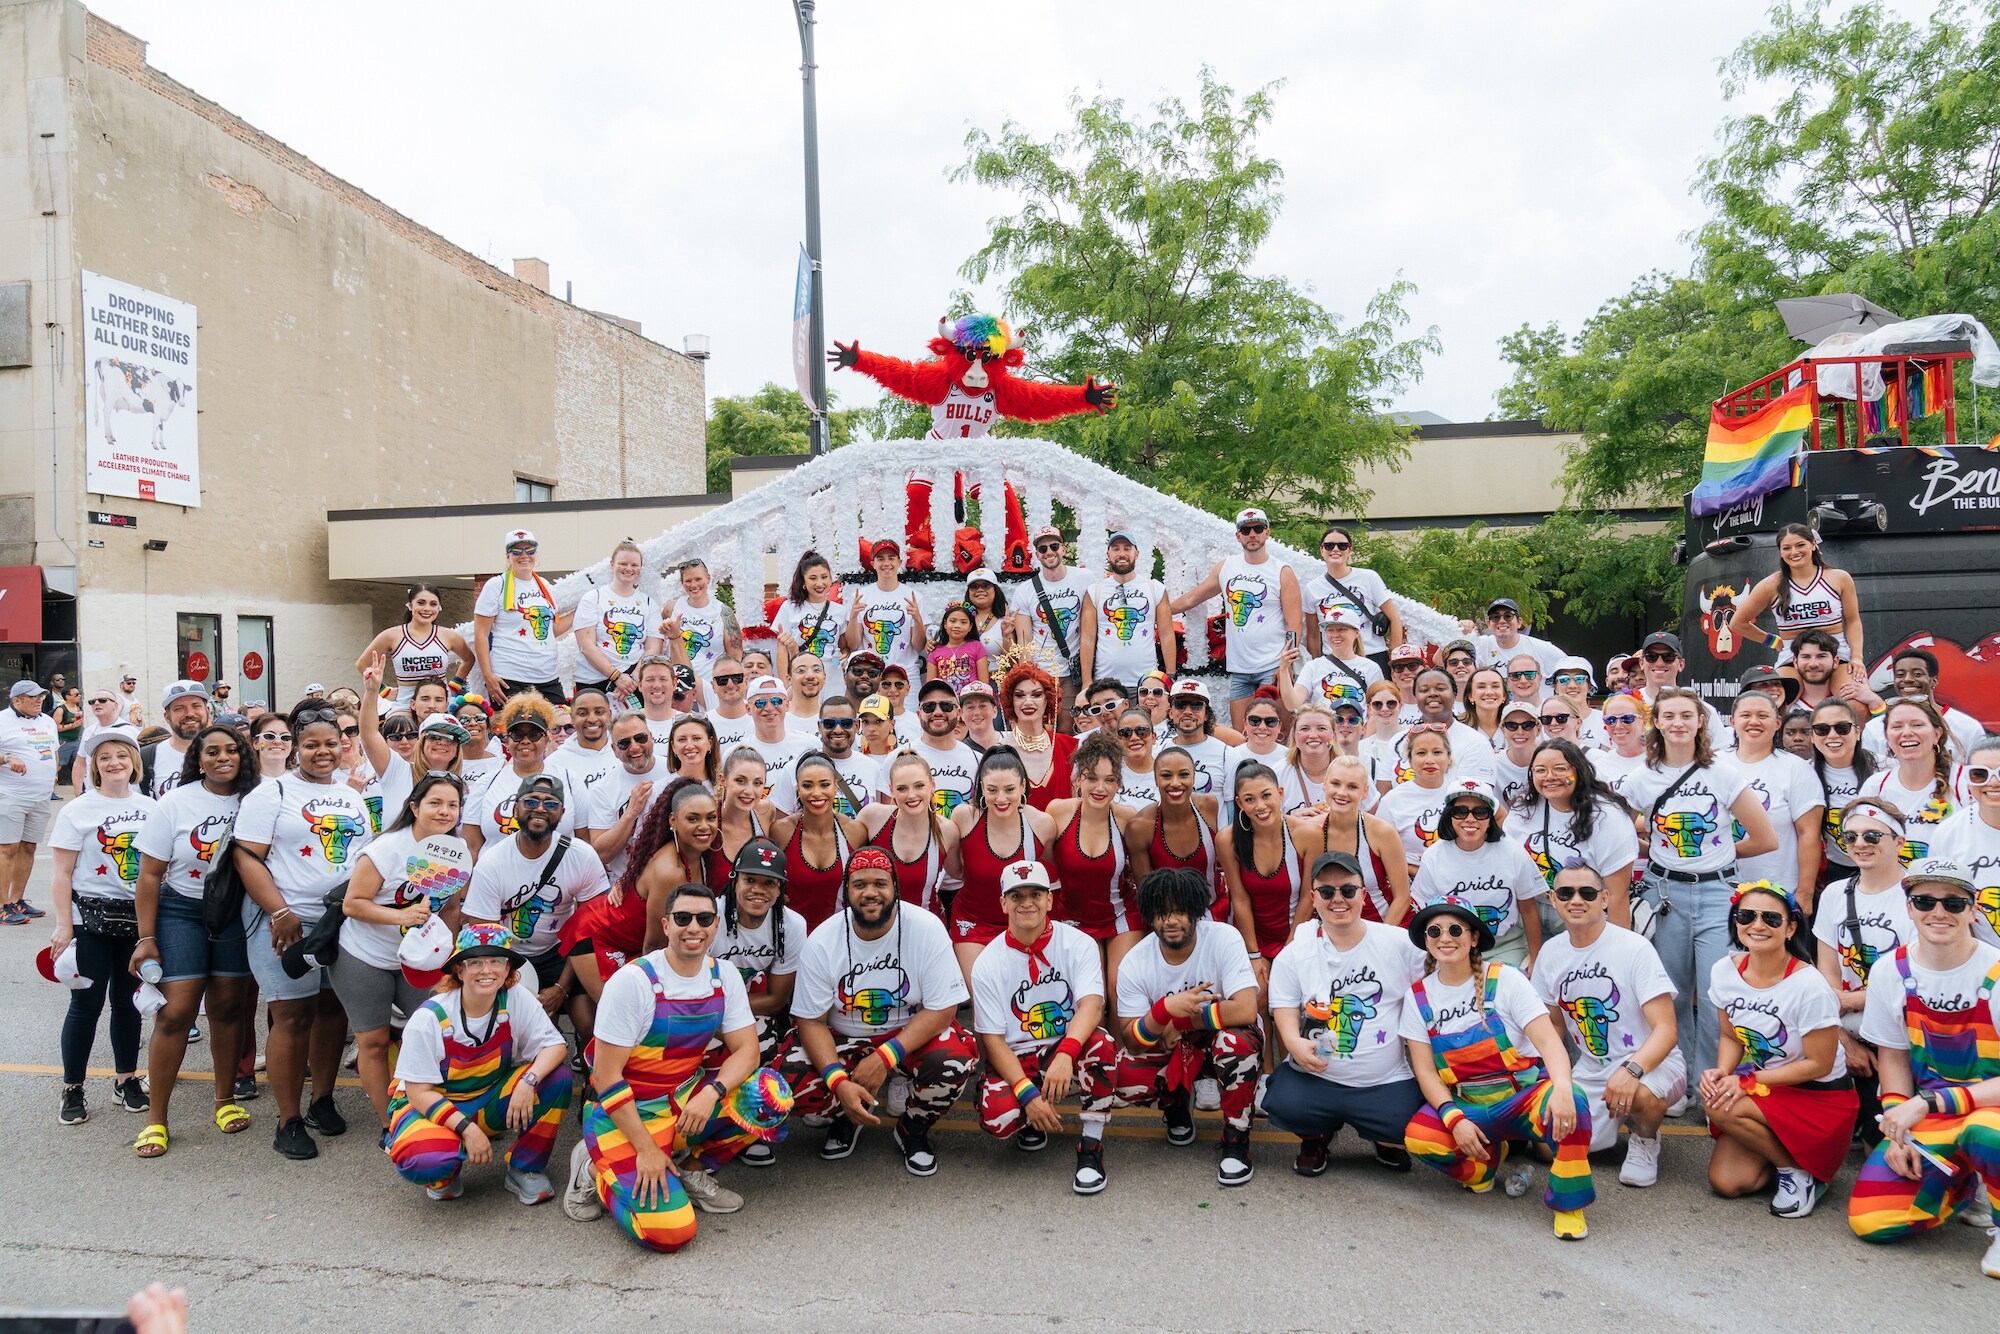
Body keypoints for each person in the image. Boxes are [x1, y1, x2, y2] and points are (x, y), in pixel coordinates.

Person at [569, 882, 793, 1246]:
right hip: (626, 1112)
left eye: (703, 918)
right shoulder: (633, 981)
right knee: (671, 1232)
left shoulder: (724, 976)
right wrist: (646, 1150)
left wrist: (712, 1093)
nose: (694, 927)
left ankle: (691, 1170)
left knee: (767, 1097)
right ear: (666, 925)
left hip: (684, 1099)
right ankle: (594, 1169)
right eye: (683, 918)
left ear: (715, 926)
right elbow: (605, 1077)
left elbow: (748, 1052)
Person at [1401, 896, 1593, 1239]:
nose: (1446, 938)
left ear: (1474, 937)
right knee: (1421, 1138)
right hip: (1470, 1107)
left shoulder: (1507, 979)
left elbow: (1550, 1042)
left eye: (1456, 929)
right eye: (1435, 931)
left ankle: (1568, 1205)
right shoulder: (1418, 997)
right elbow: (1426, 1072)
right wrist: (1454, 1119)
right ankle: (1483, 1165)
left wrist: (1563, 1086)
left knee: (1574, 1104)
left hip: (1523, 1100)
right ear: (1427, 942)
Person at [777, 847, 976, 1175]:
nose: (870, 893)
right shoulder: (824, 939)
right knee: (789, 1079)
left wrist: (884, 1057)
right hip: (843, 1036)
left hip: (907, 1036)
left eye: (880, 883)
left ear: (894, 888)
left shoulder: (926, 927)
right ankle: (846, 1115)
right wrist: (838, 1081)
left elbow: (943, 1008)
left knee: (953, 1058)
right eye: (859, 885)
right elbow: (810, 1020)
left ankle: (912, 1128)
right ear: (847, 892)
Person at [233, 702, 373, 1159]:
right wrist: (279, 912)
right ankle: (288, 1119)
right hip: (287, 921)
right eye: (311, 744)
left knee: (334, 1010)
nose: (322, 752)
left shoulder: (352, 795)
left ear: (342, 745)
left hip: (341, 922)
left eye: (331, 743)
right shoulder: (271, 792)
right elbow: (245, 857)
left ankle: (322, 1099)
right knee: (292, 1015)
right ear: (295, 746)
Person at [1847, 857, 2000, 1274]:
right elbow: (1893, 1056)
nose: (1938, 912)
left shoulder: (1996, 971)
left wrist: (1927, 1104)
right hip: (1936, 1114)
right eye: (1925, 900)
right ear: (1908, 907)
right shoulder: (1889, 970)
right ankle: (1967, 1181)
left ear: (1973, 910)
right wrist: (1900, 1130)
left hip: (1990, 1110)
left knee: (1988, 1133)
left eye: (1953, 903)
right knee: (1872, 1221)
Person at [1622, 688, 1778, 1080]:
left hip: (1718, 893)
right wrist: (1661, 848)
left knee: (1715, 996)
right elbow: (1617, 836)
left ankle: (1710, 1082)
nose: (1678, 723)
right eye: (1669, 716)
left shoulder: (1723, 773)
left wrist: (1716, 857)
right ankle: (1674, 1080)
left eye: (1686, 716)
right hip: (1663, 893)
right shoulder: (1641, 778)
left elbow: (1765, 838)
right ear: (1655, 722)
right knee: (1669, 994)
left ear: (1701, 722)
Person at [130, 725, 257, 1155]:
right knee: (177, 1010)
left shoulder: (258, 799)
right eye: (212, 752)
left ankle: (223, 1101)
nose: (223, 758)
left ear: (243, 754)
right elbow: (148, 875)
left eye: (231, 750)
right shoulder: (175, 802)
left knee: (227, 1007)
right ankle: (156, 1119)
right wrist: (145, 938)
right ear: (197, 760)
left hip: (235, 913)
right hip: (180, 909)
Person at [1264, 848, 1430, 1175]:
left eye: (1348, 890)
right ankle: (1316, 1135)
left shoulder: (1398, 943)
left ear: (1363, 894)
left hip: (1383, 1079)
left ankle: (1385, 1138)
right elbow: (1282, 1006)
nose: (1337, 898)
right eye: (1327, 891)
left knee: (1412, 1129)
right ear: (1313, 897)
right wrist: (1292, 1041)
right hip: (1317, 1077)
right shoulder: (1296, 952)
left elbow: (1435, 984)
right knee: (1284, 1102)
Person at [1700, 881, 1857, 1218]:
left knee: (1721, 1107)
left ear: (1791, 928)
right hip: (1769, 1088)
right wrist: (1722, 1072)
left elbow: (1819, 1063)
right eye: (1747, 916)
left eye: (1771, 919)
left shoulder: (1809, 986)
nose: (1757, 925)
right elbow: (1731, 1037)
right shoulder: (1724, 970)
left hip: (1819, 1098)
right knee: (1726, 1182)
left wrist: (1746, 1082)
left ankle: (1796, 1172)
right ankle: (1788, 1157)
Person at [385, 923, 573, 1204]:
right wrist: (466, 1129)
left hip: (485, 1100)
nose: (487, 970)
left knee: (556, 1079)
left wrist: (528, 1080)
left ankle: (525, 1167)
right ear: (459, 970)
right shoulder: (429, 1018)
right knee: (425, 1160)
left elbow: (555, 1045)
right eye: (475, 962)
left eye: (496, 960)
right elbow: (418, 1092)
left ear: (508, 967)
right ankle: (443, 1173)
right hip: (427, 1107)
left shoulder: (516, 998)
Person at [970, 860, 1121, 1192]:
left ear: (1050, 900)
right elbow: (993, 1040)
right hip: (1018, 1054)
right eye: (1017, 895)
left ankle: (1091, 1146)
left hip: (1065, 1046)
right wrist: (1027, 1095)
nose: (1027, 903)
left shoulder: (1078, 943)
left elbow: (1092, 1005)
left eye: (1036, 894)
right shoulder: (988, 962)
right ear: (1003, 903)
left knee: (1102, 1045)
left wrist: (1066, 1053)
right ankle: (1030, 1121)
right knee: (998, 1117)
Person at [333, 772, 468, 1142]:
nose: (444, 811)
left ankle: (448, 1113)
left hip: (422, 962)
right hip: (363, 957)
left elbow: (453, 907)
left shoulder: (455, 850)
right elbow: (352, 904)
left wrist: (450, 956)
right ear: (414, 807)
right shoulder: (386, 849)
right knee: (374, 1043)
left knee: (441, 1036)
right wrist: (401, 917)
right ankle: (389, 1124)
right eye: (435, 803)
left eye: (452, 805)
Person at [1533, 862, 1685, 1188]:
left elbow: (1667, 1031)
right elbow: (1553, 1029)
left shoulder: (1634, 948)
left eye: (1587, 892)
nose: (1576, 900)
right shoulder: (1550, 953)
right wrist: (1537, 1076)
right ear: (1553, 899)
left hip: (1652, 1063)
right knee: (1547, 1147)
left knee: (1642, 1096)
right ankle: (1607, 1125)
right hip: (1593, 1069)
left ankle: (1645, 1140)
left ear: (1604, 898)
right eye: (1566, 893)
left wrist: (1631, 1070)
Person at [1113, 867, 1263, 1184]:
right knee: (1124, 1074)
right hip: (1172, 1047)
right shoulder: (1135, 962)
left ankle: (1236, 1138)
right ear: (1150, 916)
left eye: (1180, 911)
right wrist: (1162, 1010)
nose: (1170, 921)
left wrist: (1180, 1019)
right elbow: (1133, 1041)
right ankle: (1177, 1105)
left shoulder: (1223, 938)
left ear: (1196, 912)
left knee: (1236, 1044)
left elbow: (1247, 1009)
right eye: (1162, 912)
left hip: (1218, 1039)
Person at [48, 730, 156, 1126]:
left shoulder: (151, 807)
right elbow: (61, 873)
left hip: (137, 920)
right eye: (105, 757)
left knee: (128, 1004)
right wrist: (64, 926)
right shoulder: (78, 810)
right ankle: (72, 1087)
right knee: (85, 1006)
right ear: (95, 766)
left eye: (121, 756)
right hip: (88, 921)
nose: (114, 763)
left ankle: (126, 1079)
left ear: (133, 762)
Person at [1812, 799, 1915, 1133]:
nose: (1859, 844)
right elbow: (1826, 972)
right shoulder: (1833, 893)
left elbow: (1913, 980)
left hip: (1900, 1032)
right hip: (1847, 1026)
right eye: (1850, 836)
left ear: (1899, 841)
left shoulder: (1920, 896)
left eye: (1872, 836)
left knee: (1883, 1140)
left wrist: (1845, 1002)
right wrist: (1842, 1037)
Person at [463, 773, 609, 1006]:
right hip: (508, 953)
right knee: (513, 1018)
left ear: (561, 814)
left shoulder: (581, 856)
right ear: (515, 809)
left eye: (550, 804)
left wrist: (562, 988)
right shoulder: (492, 863)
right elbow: (485, 939)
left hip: (562, 952)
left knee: (586, 1017)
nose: (540, 809)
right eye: (531, 802)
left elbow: (589, 930)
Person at [1171, 508, 1302, 731]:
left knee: (1277, 732)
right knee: (1241, 735)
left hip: (1272, 666)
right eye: (1246, 529)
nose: (1252, 534)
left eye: (1258, 528)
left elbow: (1294, 622)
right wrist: (1158, 612)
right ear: (1238, 535)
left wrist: (1286, 665)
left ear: (1267, 532)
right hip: (1240, 668)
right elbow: (1194, 597)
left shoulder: (1282, 571)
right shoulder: (1227, 567)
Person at [1410, 780, 1545, 968]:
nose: (1470, 819)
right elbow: (1426, 912)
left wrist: (1536, 960)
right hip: (1453, 945)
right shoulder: (1433, 856)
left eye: (1480, 812)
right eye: (1461, 811)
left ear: (1491, 818)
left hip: (1506, 945)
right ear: (1449, 815)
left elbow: (1529, 909)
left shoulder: (1513, 852)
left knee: (1499, 990)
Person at [946, 748, 1056, 967]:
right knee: (982, 994)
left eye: (1010, 789)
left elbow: (1051, 876)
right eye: (992, 790)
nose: (1001, 798)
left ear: (1023, 786)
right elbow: (956, 871)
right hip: (973, 922)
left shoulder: (1042, 824)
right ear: (981, 789)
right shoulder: (965, 817)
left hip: (1025, 923)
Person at [1514, 740, 1637, 927]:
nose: (1549, 776)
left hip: (1587, 915)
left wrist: (1616, 951)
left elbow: (1617, 896)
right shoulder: (1524, 809)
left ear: (1578, 771)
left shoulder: (1606, 817)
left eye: (1560, 769)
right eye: (1540, 770)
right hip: (1531, 913)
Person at [709, 835, 805, 1075]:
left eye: (769, 883)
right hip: (696, 1006)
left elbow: (775, 1000)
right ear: (734, 881)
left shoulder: (791, 925)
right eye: (749, 879)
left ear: (779, 888)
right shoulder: (709, 916)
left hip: (738, 1005)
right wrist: (711, 1021)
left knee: (763, 1046)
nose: (758, 890)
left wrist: (729, 1020)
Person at [1720, 523, 1864, 681]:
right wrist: (1773, 641)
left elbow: (1852, 621)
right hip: (1792, 654)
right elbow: (1737, 623)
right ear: (1780, 552)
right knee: (1784, 695)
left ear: (1813, 544)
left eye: (1800, 545)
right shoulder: (1770, 585)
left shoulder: (1839, 578)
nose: (1794, 552)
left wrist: (1857, 657)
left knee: (1855, 701)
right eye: (1787, 548)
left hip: (1836, 652)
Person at [463, 692, 590, 859]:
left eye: (534, 734)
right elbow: (471, 847)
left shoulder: (570, 780)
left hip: (557, 880)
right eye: (517, 734)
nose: (525, 741)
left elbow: (584, 841)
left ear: (546, 739)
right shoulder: (486, 783)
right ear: (507, 741)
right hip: (498, 880)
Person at [1727, 690, 1826, 904]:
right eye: (1746, 716)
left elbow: (1808, 833)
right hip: (1718, 891)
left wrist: (1804, 893)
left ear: (1778, 722)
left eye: (1763, 716)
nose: (1754, 722)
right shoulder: (1713, 764)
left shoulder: (1796, 769)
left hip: (1778, 891)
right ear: (1733, 721)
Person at [1296, 754, 1409, 927]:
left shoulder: (1382, 832)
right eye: (1335, 784)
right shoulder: (1309, 831)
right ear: (1324, 785)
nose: (1342, 793)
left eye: (1352, 786)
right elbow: (1304, 896)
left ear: (1364, 792)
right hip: (1328, 929)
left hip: (1381, 924)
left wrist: (1381, 940)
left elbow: (1402, 897)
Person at [1220, 761, 1315, 969]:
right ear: (1239, 803)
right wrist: (1253, 955)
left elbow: (1309, 897)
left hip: (1297, 936)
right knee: (1258, 995)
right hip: (1252, 939)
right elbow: (1240, 899)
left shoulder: (1307, 834)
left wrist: (1291, 950)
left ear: (1280, 793)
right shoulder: (1227, 839)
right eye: (1249, 799)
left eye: (1266, 795)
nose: (1260, 806)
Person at [472, 529, 572, 703]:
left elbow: (552, 630)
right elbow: (481, 633)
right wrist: (488, 676)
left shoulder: (544, 585)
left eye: (529, 550)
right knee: (509, 729)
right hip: (509, 676)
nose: (524, 555)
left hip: (546, 676)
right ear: (507, 556)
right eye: (517, 551)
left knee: (558, 726)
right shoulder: (496, 585)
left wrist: (580, 611)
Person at [1126, 747, 1223, 923]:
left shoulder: (1209, 805)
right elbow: (1147, 892)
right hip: (1166, 918)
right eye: (1166, 776)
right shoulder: (1140, 827)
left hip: (1215, 910)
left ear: (1194, 777)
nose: (1176, 783)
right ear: (1155, 779)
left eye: (1184, 775)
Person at [1009, 525, 1094, 724]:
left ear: (1062, 549)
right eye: (1043, 549)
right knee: (1041, 728)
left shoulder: (1084, 578)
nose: (1049, 552)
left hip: (1072, 672)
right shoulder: (1025, 590)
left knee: (1067, 728)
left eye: (1054, 546)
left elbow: (1091, 627)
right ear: (1037, 554)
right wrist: (1027, 679)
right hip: (1041, 672)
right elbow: (1024, 641)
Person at [861, 750, 958, 918]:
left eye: (919, 786)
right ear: (891, 790)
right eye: (902, 788)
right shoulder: (873, 818)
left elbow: (959, 876)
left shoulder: (947, 830)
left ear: (932, 785)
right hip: (877, 926)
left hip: (927, 926)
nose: (911, 795)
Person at [771, 752, 863, 928]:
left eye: (824, 784)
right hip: (790, 938)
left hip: (840, 937)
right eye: (807, 785)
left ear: (835, 786)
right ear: (798, 788)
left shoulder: (854, 832)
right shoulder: (781, 831)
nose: (816, 793)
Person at [1077, 530, 1174, 694]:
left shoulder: (1155, 588)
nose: (1121, 553)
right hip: (1105, 684)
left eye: (1127, 548)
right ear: (1108, 554)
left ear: (1137, 553)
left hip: (1147, 684)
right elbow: (1087, 638)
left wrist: (1170, 675)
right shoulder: (1095, 591)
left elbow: (1166, 634)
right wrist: (1087, 682)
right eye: (1115, 549)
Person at [1863, 698, 1963, 856]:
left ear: (1937, 734)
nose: (1907, 732)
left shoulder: (1965, 782)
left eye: (1917, 725)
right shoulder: (1875, 786)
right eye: (1897, 726)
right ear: (1887, 738)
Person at [356, 583, 472, 709]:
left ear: (439, 607)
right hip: (405, 703)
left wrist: (454, 685)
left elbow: (469, 659)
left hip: (439, 704)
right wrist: (384, 691)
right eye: (421, 603)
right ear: (410, 606)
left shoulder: (449, 636)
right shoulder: (391, 635)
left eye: (433, 604)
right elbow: (362, 664)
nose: (427, 608)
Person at [1305, 525, 1403, 674]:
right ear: (1322, 550)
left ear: (1350, 550)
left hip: (1372, 654)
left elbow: (1394, 619)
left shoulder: (1369, 578)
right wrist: (1316, 665)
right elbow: (1313, 634)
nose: (1335, 549)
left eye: (1342, 546)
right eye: (1329, 546)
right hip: (1333, 659)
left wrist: (1396, 662)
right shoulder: (1312, 588)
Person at [573, 539, 662, 702]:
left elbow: (653, 648)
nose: (629, 569)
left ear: (640, 569)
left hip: (634, 684)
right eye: (623, 563)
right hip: (594, 682)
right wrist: (616, 677)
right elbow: (586, 646)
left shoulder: (649, 603)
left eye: (634, 565)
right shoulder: (593, 598)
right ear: (612, 564)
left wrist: (633, 679)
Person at [1, 679, 60, 925]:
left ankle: (17, 900)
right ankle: (2, 905)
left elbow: (53, 751)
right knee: (7, 849)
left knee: (28, 848)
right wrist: (6, 758)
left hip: (40, 796)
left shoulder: (47, 721)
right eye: (33, 697)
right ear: (17, 701)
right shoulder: (3, 720)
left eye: (42, 697)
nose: (40, 700)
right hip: (10, 795)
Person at [1862, 647, 1984, 760]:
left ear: (1934, 681)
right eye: (1900, 675)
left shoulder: (1968, 727)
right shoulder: (1874, 728)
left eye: (1917, 674)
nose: (1907, 679)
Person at [1933, 736, 2000, 940]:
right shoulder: (1948, 833)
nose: (1994, 782)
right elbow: (1945, 903)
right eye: (1980, 774)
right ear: (1968, 780)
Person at [1809, 698, 1876, 881]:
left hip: (1880, 866)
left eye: (1842, 728)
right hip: (1832, 871)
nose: (1832, 735)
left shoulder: (1885, 768)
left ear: (1857, 732)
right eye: (1822, 729)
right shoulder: (1803, 774)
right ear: (1812, 737)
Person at [843, 539, 927, 682]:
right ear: (873, 564)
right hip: (870, 675)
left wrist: (918, 620)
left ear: (899, 562)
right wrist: (853, 617)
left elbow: (919, 646)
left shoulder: (915, 597)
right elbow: (853, 644)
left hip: (906, 674)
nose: (886, 563)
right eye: (880, 558)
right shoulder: (859, 596)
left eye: (891, 558)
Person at [1376, 724, 1456, 873]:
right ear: (1410, 760)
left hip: (1460, 880)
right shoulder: (1392, 801)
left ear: (1449, 757)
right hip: (1411, 882)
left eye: (1437, 752)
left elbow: (1497, 818)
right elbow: (1379, 852)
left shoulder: (1462, 792)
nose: (1429, 760)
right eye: (1421, 753)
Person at [999, 659, 1074, 811]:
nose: (1028, 702)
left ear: (1048, 700)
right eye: (1020, 696)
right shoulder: (1000, 752)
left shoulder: (1070, 747)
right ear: (1010, 701)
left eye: (1036, 695)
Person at [661, 557, 742, 695]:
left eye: (698, 579)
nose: (693, 585)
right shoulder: (671, 608)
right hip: (678, 689)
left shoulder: (723, 612)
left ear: (708, 578)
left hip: (710, 689)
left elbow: (735, 655)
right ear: (682, 583)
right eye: (688, 581)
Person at [1401, 667, 1495, 783]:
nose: (1432, 694)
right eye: (1424, 690)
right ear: (1415, 696)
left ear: (1455, 694)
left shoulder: (1476, 742)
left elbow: (1476, 797)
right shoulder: (1398, 741)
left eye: (1440, 688)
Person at [709, 748, 781, 890]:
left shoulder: (765, 812)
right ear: (722, 780)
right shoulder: (708, 821)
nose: (749, 791)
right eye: (740, 781)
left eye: (757, 783)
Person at [773, 550, 845, 690]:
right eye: (813, 578)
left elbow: (842, 648)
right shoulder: (789, 607)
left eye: (824, 577)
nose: (820, 583)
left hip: (833, 679)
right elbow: (782, 649)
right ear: (804, 582)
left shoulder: (840, 610)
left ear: (831, 579)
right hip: (802, 676)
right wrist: (785, 684)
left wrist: (839, 662)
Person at [741, 675, 814, 814]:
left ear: (787, 705)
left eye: (776, 701)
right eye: (760, 703)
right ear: (748, 708)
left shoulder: (810, 745)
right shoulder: (737, 754)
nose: (769, 708)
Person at [910, 679, 981, 819]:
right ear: (919, 714)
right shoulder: (898, 758)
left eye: (946, 706)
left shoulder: (978, 760)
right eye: (929, 707)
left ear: (958, 713)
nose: (937, 712)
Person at [1160, 679, 1233, 801]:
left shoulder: (1226, 754)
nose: (1188, 712)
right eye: (1180, 705)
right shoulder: (1158, 751)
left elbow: (1231, 804)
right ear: (1170, 713)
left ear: (1206, 715)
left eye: (1196, 706)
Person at [141, 680, 211, 798]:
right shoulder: (147, 757)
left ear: (207, 711)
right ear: (167, 717)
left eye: (196, 706)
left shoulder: (228, 754)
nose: (189, 713)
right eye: (179, 708)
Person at [810, 698, 874, 817]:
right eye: (829, 724)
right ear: (819, 726)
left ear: (857, 725)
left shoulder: (872, 768)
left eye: (846, 723)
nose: (838, 730)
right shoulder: (799, 767)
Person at [1595, 691, 1651, 788]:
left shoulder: (1661, 761)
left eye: (1627, 718)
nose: (1618, 726)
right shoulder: (1598, 767)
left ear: (1644, 722)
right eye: (1610, 720)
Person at [1549, 657, 1606, 750]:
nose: (1572, 685)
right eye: (1564, 679)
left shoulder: (1604, 720)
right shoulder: (1546, 722)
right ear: (1555, 687)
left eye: (1580, 679)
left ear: (1589, 686)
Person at [632, 655, 687, 751]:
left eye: (663, 679)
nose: (657, 685)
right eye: (650, 679)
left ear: (674, 684)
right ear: (640, 685)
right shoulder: (629, 724)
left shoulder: (687, 723)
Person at [1492, 701, 1540, 808]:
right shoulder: (1492, 763)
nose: (1520, 732)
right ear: (1503, 730)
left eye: (1527, 725)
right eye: (1512, 726)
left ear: (1539, 729)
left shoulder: (1549, 761)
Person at [704, 655, 754, 752]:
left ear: (746, 681)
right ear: (713, 686)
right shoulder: (704, 723)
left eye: (736, 678)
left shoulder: (761, 717)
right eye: (723, 680)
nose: (730, 685)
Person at [1112, 704, 1159, 808]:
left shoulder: (1166, 773)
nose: (1134, 738)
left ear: (1154, 737)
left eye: (1142, 731)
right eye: (1125, 733)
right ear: (1118, 740)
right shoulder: (1109, 771)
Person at [961, 568, 1012, 663]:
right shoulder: (959, 618)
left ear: (995, 590)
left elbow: (1013, 662)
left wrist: (1006, 636)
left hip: (996, 675)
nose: (980, 590)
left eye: (986, 586)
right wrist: (932, 644)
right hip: (965, 676)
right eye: (974, 586)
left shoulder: (1006, 619)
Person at [1458, 667, 1509, 753]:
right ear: (1470, 696)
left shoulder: (1517, 726)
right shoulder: (1458, 729)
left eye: (1495, 686)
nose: (1489, 692)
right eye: (1481, 687)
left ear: (1504, 695)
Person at [665, 713, 718, 790]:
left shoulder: (723, 787)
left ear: (710, 743)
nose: (689, 746)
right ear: (673, 746)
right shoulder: (660, 788)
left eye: (696, 738)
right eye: (682, 740)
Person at [782, 652, 829, 736]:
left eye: (817, 670)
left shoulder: (832, 718)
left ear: (824, 677)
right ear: (789, 679)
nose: (810, 676)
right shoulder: (777, 717)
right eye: (801, 670)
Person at [958, 681, 1005, 751]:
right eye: (970, 707)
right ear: (961, 714)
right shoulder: (960, 752)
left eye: (983, 706)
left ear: (995, 711)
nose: (977, 713)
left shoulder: (1012, 742)